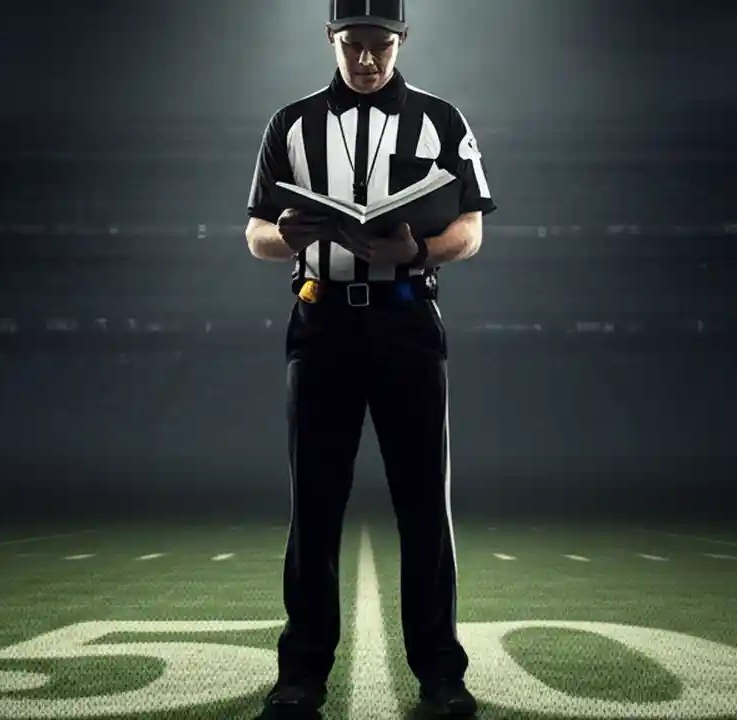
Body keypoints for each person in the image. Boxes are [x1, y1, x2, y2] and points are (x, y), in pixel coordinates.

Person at [244, 0, 496, 714]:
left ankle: (442, 674)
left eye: (379, 46)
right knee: (314, 505)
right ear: (330, 39)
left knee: (423, 506)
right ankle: (301, 675)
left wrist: (416, 249)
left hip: (407, 321)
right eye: (353, 44)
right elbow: (255, 233)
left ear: (401, 41)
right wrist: (289, 236)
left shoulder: (442, 118)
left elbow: (472, 229)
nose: (365, 60)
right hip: (321, 321)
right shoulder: (290, 124)